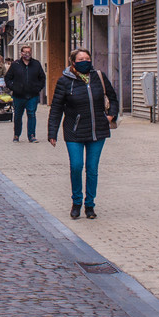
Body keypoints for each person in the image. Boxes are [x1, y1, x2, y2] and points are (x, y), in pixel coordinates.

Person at [47, 48, 119, 220]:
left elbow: (113, 97)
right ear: (73, 62)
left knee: (92, 169)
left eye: (87, 58)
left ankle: (90, 204)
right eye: (81, 59)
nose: (85, 61)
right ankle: (76, 202)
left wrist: (110, 115)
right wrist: (52, 132)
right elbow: (56, 108)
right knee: (76, 166)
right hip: (74, 131)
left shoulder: (98, 77)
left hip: (97, 130)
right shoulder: (65, 81)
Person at [4, 45, 46, 143]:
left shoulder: (36, 64)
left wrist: (37, 88)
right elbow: (7, 78)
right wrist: (13, 87)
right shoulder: (15, 64)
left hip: (32, 95)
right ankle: (16, 135)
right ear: (21, 53)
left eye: (29, 51)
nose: (27, 53)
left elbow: (42, 78)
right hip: (19, 96)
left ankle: (31, 135)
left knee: (31, 114)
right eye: (25, 52)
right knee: (18, 115)